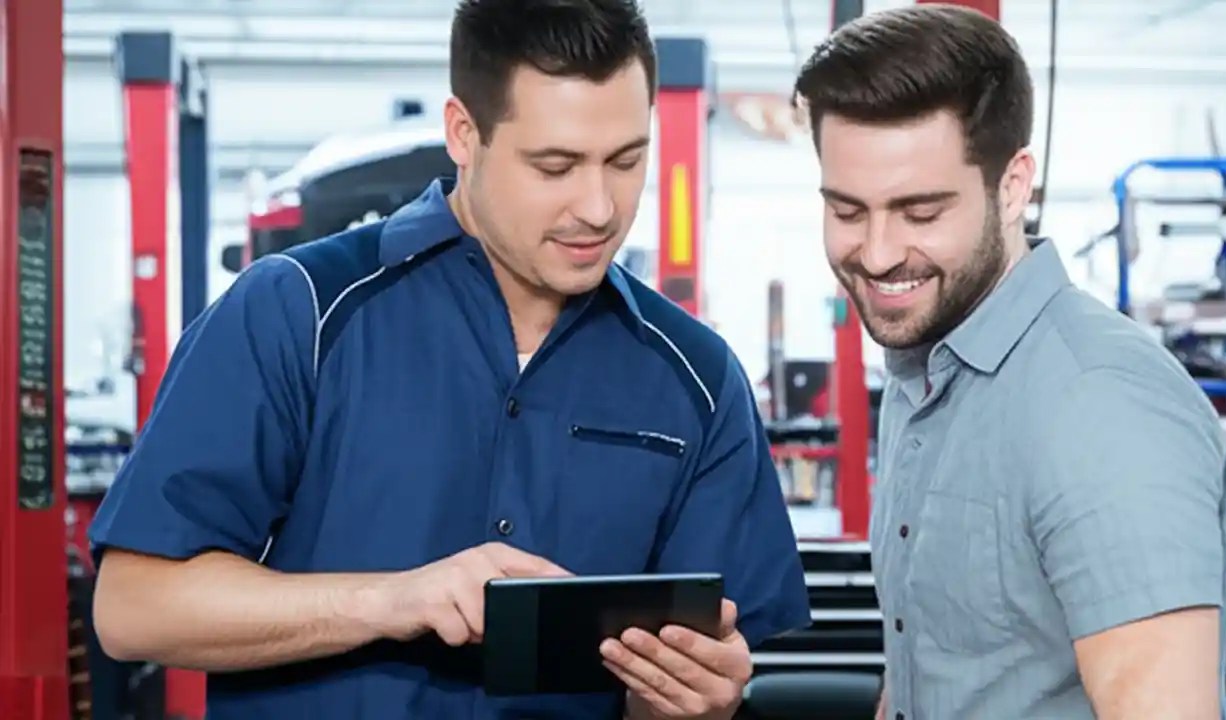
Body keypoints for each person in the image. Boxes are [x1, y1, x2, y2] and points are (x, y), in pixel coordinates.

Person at [89, 1, 811, 718]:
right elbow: (132, 609)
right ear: (464, 134)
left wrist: (697, 701)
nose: (598, 206)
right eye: (554, 166)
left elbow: (675, 682)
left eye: (626, 160)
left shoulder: (699, 380)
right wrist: (392, 599)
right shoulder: (299, 314)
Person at [793, 5, 1226, 720]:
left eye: (920, 212)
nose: (875, 254)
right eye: (848, 211)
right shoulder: (924, 373)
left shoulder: (1101, 407)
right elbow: (930, 666)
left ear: (1013, 186)